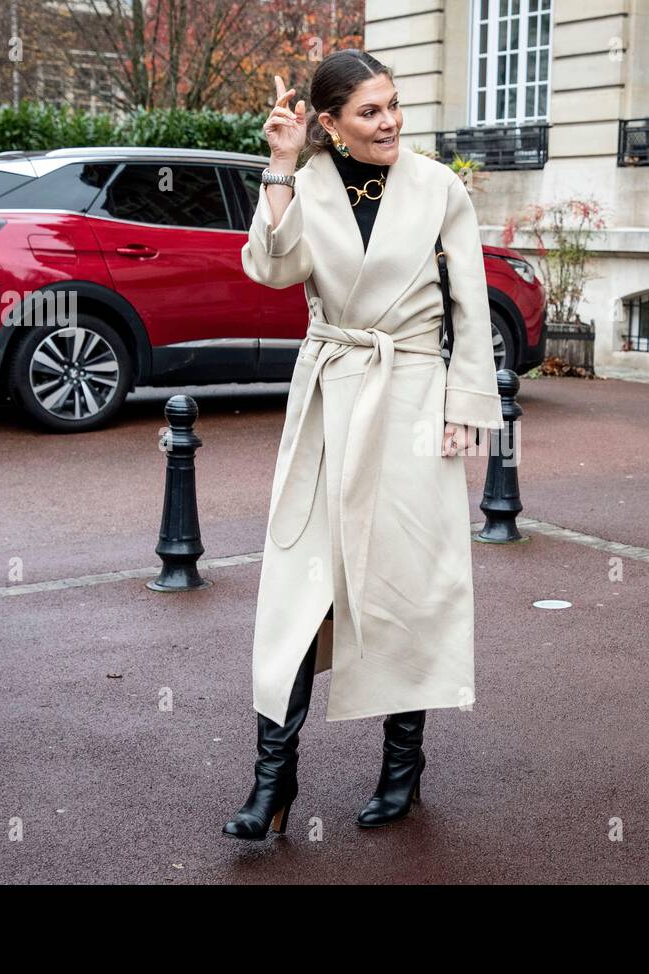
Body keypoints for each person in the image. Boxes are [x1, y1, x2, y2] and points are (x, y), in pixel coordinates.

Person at [223, 49, 504, 840]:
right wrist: (279, 167)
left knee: (407, 581)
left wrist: (465, 402)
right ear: (331, 125)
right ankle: (272, 783)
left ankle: (402, 772)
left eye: (393, 106)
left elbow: (471, 303)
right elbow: (273, 271)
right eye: (370, 112)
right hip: (329, 394)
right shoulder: (306, 182)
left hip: (412, 394)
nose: (389, 122)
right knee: (297, 588)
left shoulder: (439, 187)